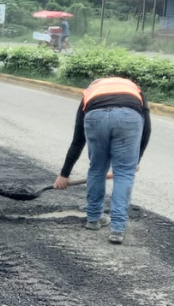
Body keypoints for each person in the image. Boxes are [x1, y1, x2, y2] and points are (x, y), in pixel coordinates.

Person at [53, 77, 151, 245]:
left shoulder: (91, 92)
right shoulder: (135, 90)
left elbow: (78, 140)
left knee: (97, 169)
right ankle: (117, 229)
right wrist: (136, 159)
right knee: (124, 174)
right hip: (128, 117)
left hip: (95, 116)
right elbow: (146, 130)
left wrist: (64, 174)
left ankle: (93, 219)